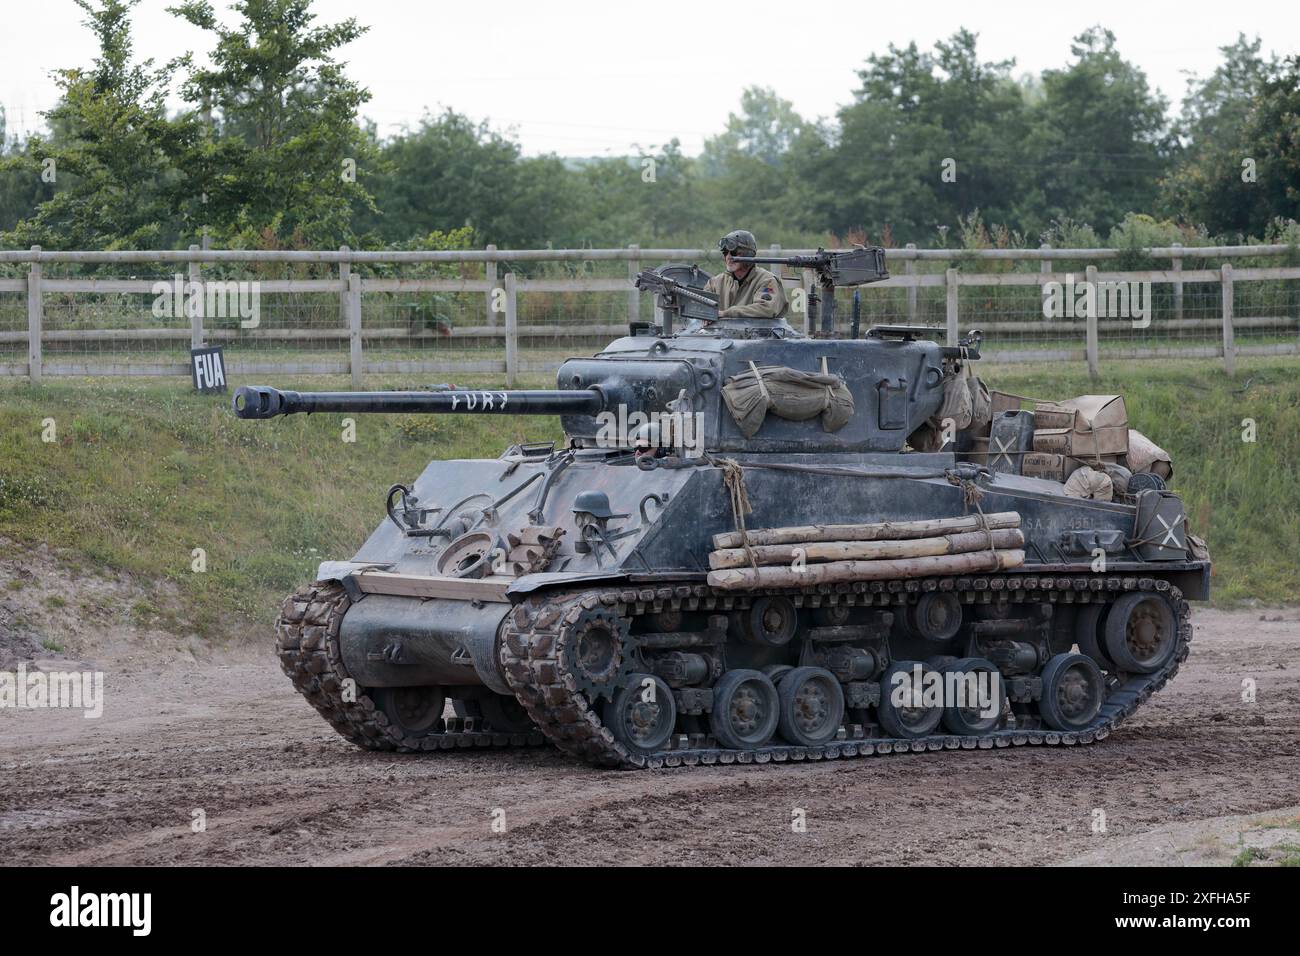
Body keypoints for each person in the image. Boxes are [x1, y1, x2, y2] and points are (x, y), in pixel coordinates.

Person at [704, 230, 788, 320]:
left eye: (734, 253)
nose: (728, 257)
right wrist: (705, 316)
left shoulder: (767, 280)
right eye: (725, 253)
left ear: (749, 254)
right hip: (720, 333)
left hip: (757, 333)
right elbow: (700, 307)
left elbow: (766, 308)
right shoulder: (715, 282)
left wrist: (727, 313)